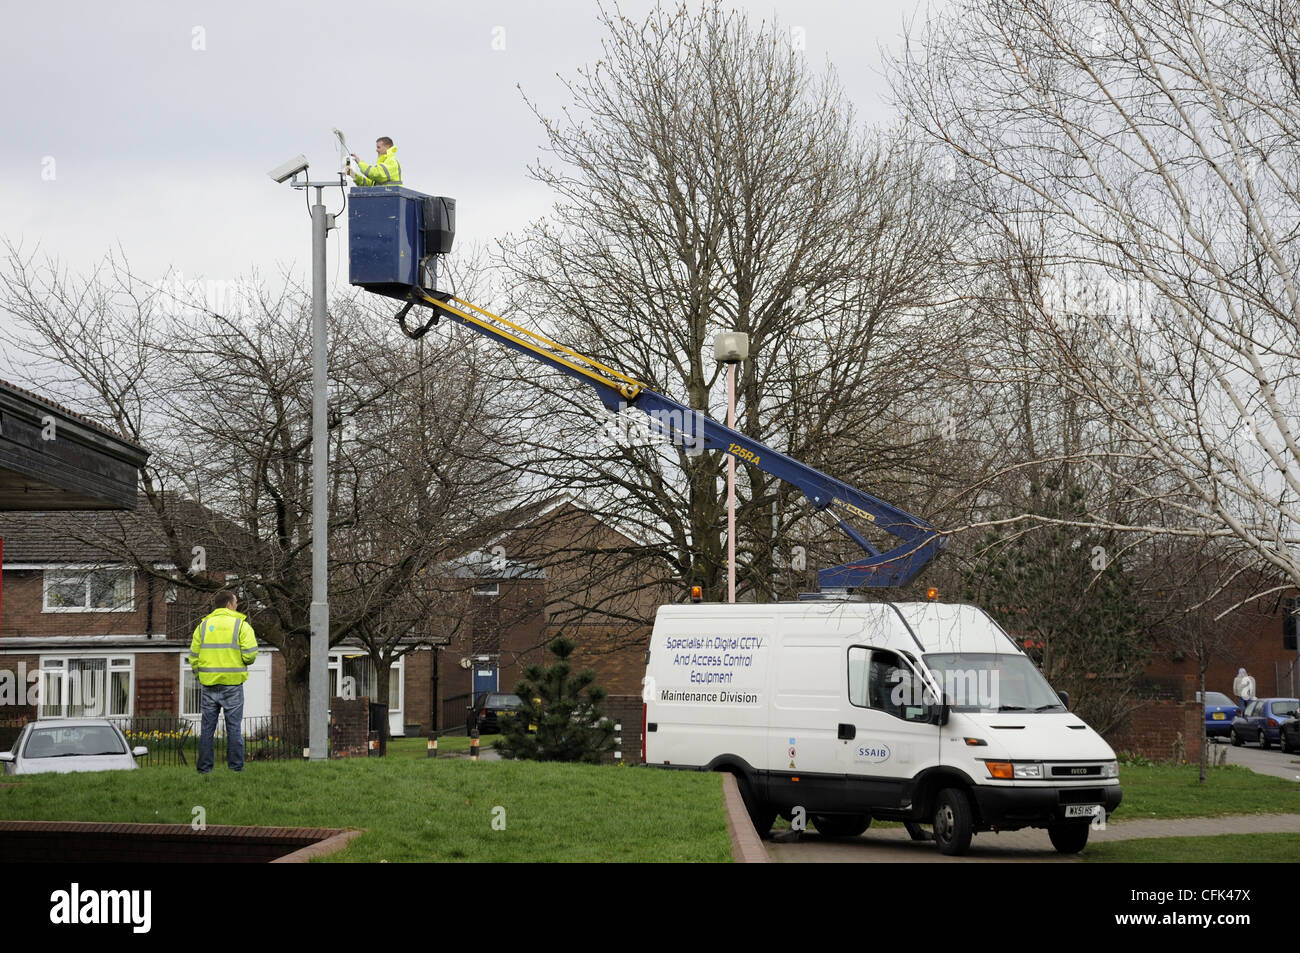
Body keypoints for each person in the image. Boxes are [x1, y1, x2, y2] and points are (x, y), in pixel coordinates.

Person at [189, 589, 258, 773]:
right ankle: (235, 769)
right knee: (234, 728)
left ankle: (204, 769)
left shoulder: (202, 627)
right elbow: (251, 655)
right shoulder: (241, 625)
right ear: (229, 604)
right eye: (236, 604)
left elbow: (193, 657)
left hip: (209, 685)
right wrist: (240, 660)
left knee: (207, 729)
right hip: (233, 685)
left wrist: (200, 676)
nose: (237, 607)